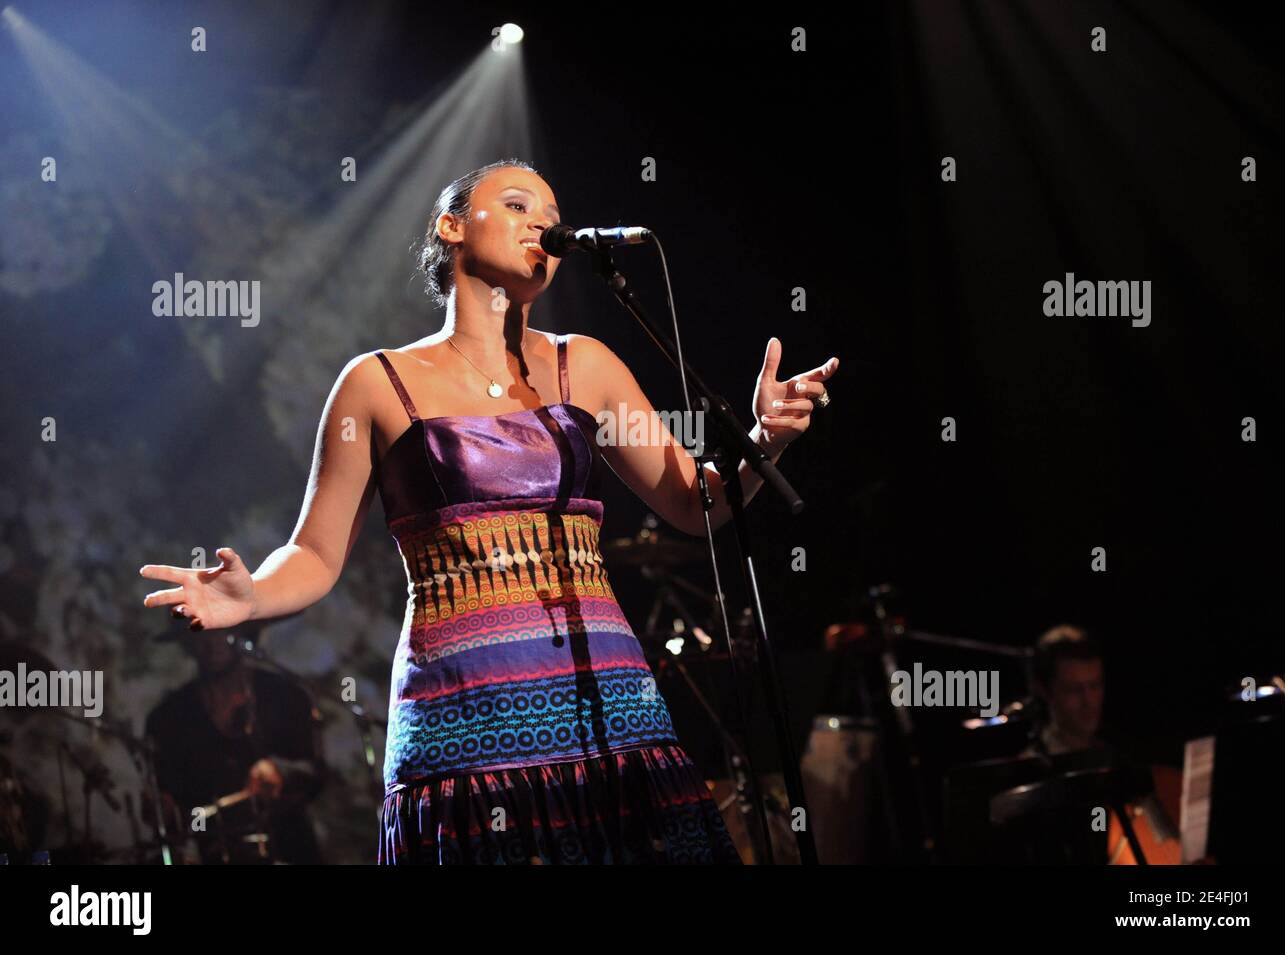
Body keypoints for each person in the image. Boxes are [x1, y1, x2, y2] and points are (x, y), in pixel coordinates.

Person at [140, 158, 839, 864]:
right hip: (464, 714)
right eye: (516, 204)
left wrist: (763, 442)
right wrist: (252, 594)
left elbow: (696, 503)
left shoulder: (584, 366)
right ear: (450, 227)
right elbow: (317, 553)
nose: (543, 223)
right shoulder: (377, 383)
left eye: (550, 212)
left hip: (609, 705)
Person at [144, 623, 324, 864]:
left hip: (290, 848)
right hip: (216, 854)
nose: (211, 642)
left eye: (220, 629)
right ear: (186, 642)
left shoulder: (283, 694)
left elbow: (316, 770)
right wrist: (163, 808)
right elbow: (169, 798)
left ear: (242, 631)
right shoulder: (169, 718)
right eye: (199, 633)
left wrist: (280, 772)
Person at [1022, 624, 1111, 758]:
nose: (1089, 701)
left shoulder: (1115, 754)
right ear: (1044, 691)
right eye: (1074, 690)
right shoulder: (1031, 769)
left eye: (1095, 685)